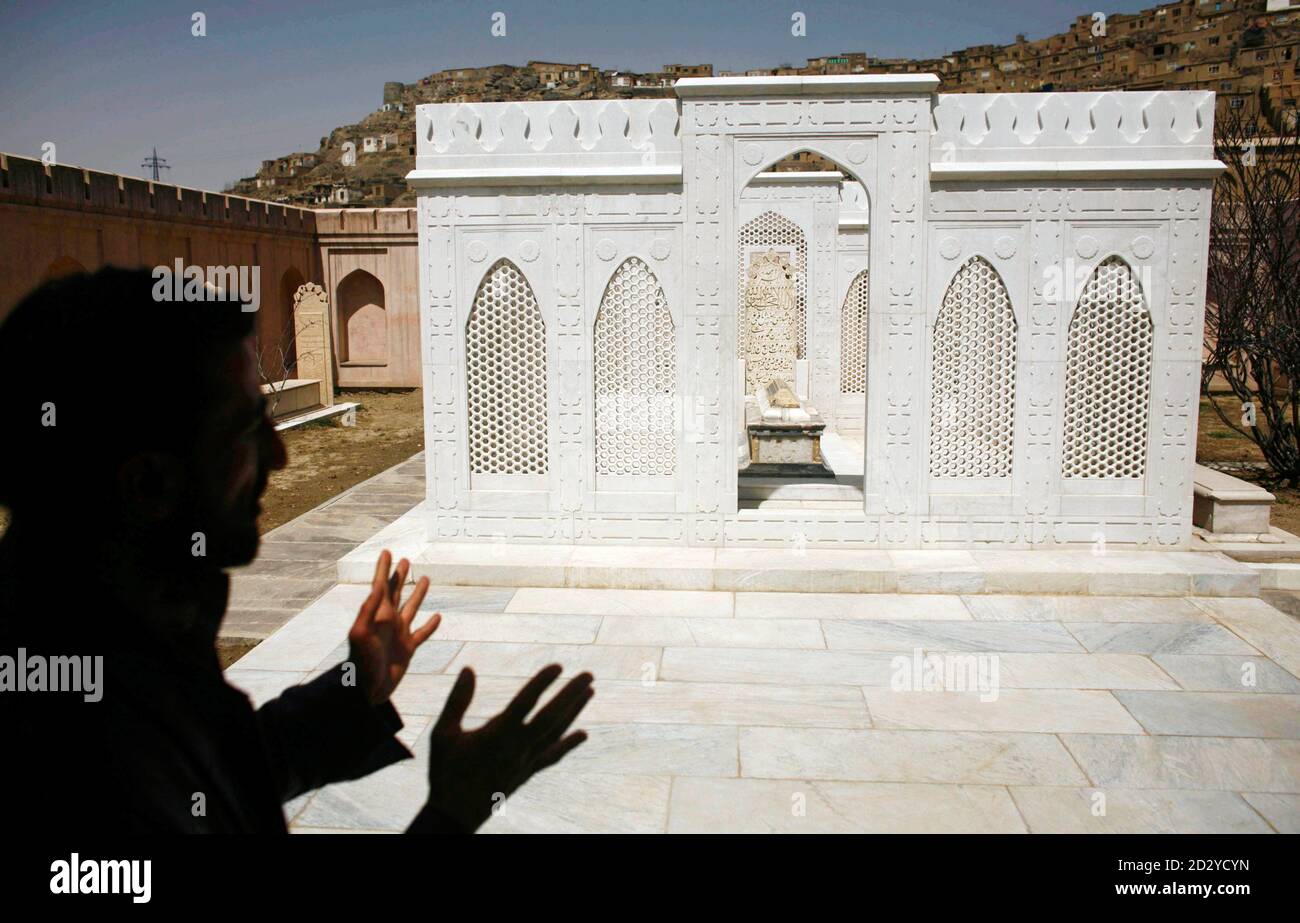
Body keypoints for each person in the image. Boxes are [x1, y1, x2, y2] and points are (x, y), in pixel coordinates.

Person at [0, 267, 593, 833]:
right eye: (242, 429)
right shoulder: (68, 736)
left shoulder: (123, 629)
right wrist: (452, 811)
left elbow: (222, 769)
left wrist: (352, 688)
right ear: (147, 483)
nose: (279, 456)